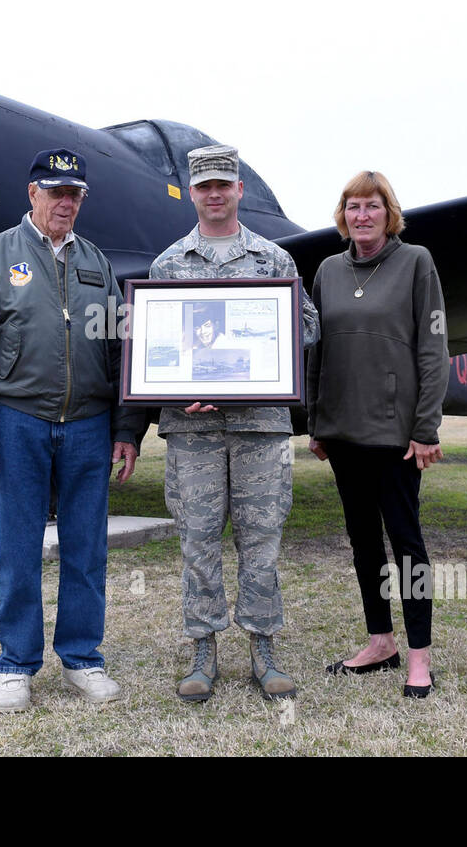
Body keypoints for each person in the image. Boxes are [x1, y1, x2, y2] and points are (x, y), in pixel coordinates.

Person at [0, 148, 143, 714]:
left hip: (88, 424)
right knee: (17, 547)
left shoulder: (98, 263)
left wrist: (126, 427)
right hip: (17, 421)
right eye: (55, 192)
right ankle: (15, 664)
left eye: (75, 193)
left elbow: (119, 351)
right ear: (32, 195)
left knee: (87, 547)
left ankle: (83, 657)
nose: (66, 202)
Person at [151, 144, 319, 702]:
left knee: (262, 542)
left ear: (239, 189)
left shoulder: (274, 259)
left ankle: (264, 650)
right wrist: (182, 387)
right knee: (197, 541)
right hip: (192, 430)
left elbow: (311, 331)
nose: (215, 193)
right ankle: (203, 653)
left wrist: (270, 327)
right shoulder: (168, 264)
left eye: (225, 184)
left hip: (260, 425)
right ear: (192, 193)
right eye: (205, 186)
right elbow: (156, 344)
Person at [306, 171, 448, 698]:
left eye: (371, 206)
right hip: (342, 431)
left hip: (396, 434)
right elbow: (317, 352)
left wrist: (426, 426)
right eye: (352, 206)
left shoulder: (416, 263)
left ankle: (418, 657)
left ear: (390, 213)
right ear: (342, 215)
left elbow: (434, 349)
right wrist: (317, 421)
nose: (361, 215)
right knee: (363, 541)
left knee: (407, 544)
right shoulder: (327, 270)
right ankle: (380, 640)